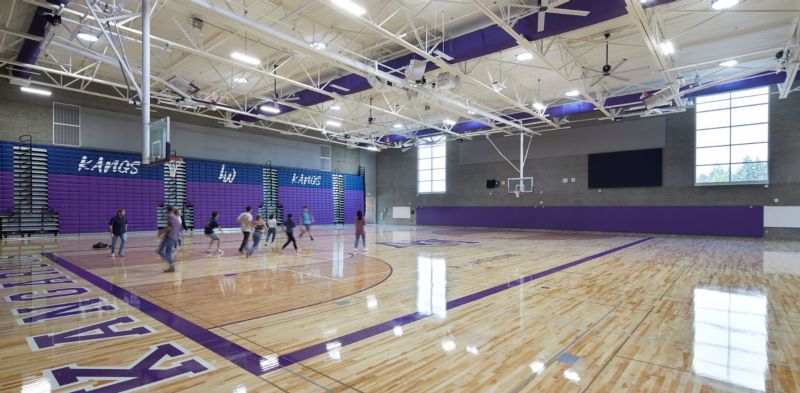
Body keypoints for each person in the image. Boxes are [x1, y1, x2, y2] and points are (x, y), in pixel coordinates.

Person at [158, 207, 181, 273]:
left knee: (160, 251)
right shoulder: (176, 217)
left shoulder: (170, 216)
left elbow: (169, 227)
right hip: (175, 237)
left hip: (169, 237)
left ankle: (171, 262)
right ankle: (171, 266)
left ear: (168, 210)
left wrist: (161, 232)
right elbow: (178, 227)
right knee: (169, 252)